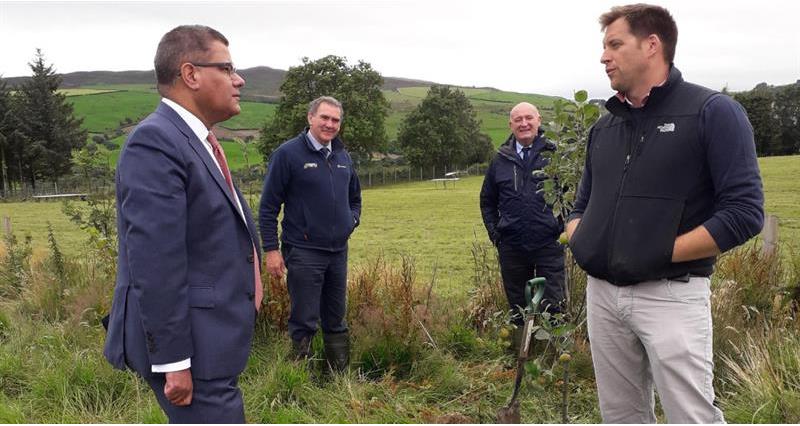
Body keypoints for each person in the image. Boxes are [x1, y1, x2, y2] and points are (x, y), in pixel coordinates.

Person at [566, 4, 764, 423]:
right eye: (604, 47)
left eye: (615, 44)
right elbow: (582, 202)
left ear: (652, 45)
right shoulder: (604, 127)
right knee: (620, 416)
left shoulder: (713, 112)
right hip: (602, 296)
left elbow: (745, 212)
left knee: (690, 415)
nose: (604, 56)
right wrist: (580, 236)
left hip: (671, 294)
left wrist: (657, 252)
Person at [103, 25, 262, 423]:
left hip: (212, 338)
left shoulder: (195, 140)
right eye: (227, 68)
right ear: (190, 74)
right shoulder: (156, 142)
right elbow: (156, 260)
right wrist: (173, 360)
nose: (238, 79)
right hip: (192, 347)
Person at [259, 96, 361, 371]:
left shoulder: (342, 156)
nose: (330, 125)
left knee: (336, 316)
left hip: (338, 251)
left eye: (335, 120)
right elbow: (268, 206)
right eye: (324, 118)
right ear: (310, 118)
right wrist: (271, 250)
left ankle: (337, 375)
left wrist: (351, 221)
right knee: (305, 317)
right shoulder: (288, 154)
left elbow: (355, 197)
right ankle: (298, 377)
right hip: (303, 250)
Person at [480, 102, 565, 348]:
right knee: (517, 306)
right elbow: (487, 201)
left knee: (554, 305)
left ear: (539, 121)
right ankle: (521, 355)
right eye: (518, 119)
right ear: (511, 125)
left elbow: (573, 196)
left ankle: (553, 357)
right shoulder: (500, 160)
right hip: (512, 247)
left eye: (529, 118)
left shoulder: (554, 156)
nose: (524, 123)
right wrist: (496, 234)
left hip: (549, 245)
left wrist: (563, 230)